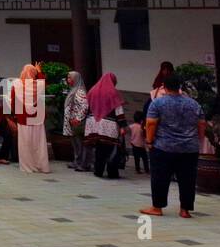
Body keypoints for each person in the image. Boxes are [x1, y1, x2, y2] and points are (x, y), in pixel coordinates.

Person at [141, 73, 205, 218]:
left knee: (160, 177)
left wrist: (149, 141)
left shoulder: (158, 103)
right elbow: (201, 124)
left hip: (164, 146)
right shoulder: (193, 103)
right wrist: (198, 141)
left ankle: (157, 207)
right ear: (180, 87)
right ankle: (185, 209)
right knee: (187, 179)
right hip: (189, 148)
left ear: (164, 86)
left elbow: (151, 123)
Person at [84, 72, 127, 179]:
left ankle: (98, 170)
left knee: (99, 148)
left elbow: (86, 106)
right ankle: (112, 172)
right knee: (111, 149)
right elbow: (118, 110)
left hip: (93, 123)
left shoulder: (93, 90)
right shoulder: (113, 92)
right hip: (108, 125)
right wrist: (122, 126)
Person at [11, 64, 49, 173]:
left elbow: (13, 102)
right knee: (39, 143)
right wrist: (40, 72)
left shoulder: (16, 84)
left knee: (25, 143)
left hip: (23, 117)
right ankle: (40, 165)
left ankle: (27, 166)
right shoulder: (38, 85)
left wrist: (15, 115)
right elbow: (44, 84)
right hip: (37, 117)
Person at [63, 70, 91, 172]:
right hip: (72, 122)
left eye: (70, 78)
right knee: (76, 143)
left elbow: (84, 106)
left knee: (80, 143)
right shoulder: (73, 90)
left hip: (77, 122)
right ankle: (77, 161)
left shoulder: (79, 91)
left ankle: (83, 163)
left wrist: (78, 118)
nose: (68, 80)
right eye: (68, 77)